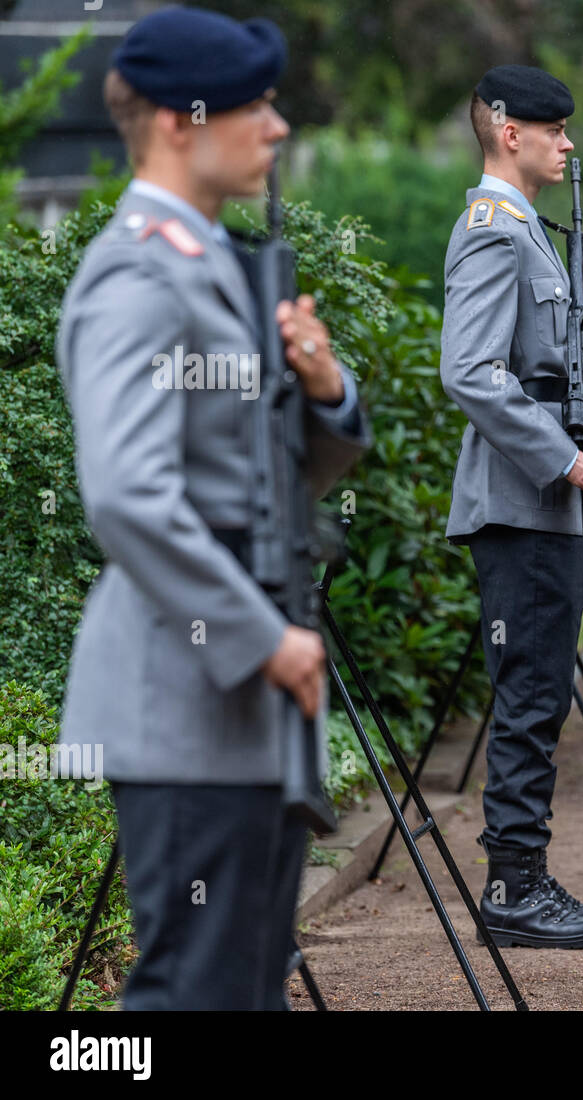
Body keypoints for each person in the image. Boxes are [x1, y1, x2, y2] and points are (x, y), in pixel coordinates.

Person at [56, 6, 371, 1010]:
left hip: (240, 676)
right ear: (180, 121)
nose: (276, 127)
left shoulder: (210, 262)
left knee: (243, 984)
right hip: (190, 689)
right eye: (256, 104)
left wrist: (323, 390)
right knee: (193, 991)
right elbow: (128, 494)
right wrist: (262, 639)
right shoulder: (138, 272)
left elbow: (277, 474)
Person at [440, 65, 583, 950]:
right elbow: (470, 370)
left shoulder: (527, 233)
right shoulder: (492, 232)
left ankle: (525, 875)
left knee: (539, 697)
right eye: (555, 130)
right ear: (512, 133)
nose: (567, 143)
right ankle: (514, 887)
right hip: (521, 501)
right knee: (530, 697)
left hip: (538, 503)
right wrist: (565, 459)